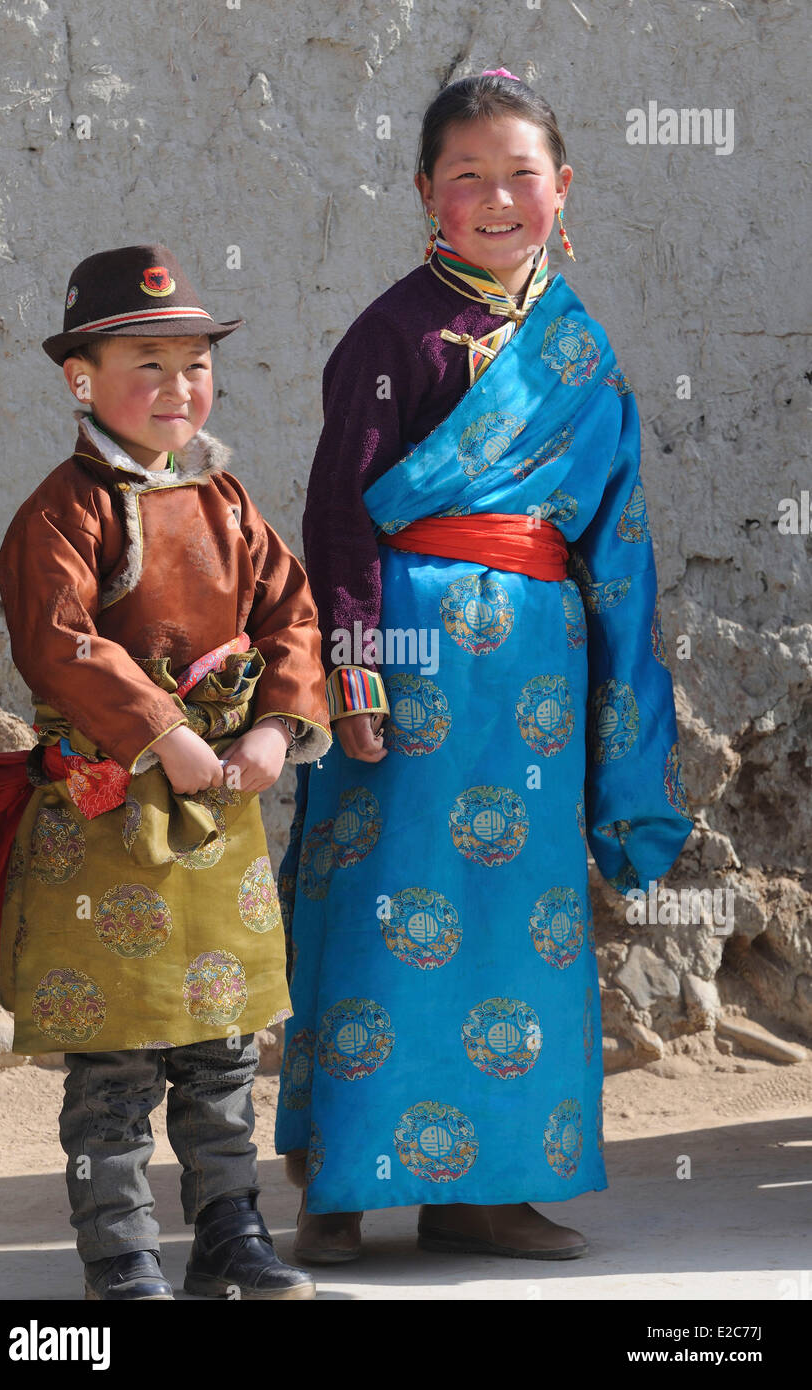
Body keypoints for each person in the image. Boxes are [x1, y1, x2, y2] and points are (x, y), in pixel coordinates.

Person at [275, 71, 694, 1263]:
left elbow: (618, 541)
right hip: (410, 670)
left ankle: (487, 1187)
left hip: (535, 690)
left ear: (563, 190)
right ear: (425, 192)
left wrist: (625, 712)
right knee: (379, 913)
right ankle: (340, 1187)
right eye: (467, 175)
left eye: (522, 174)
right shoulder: (394, 333)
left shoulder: (581, 350)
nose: (497, 197)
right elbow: (339, 517)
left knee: (524, 924)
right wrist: (354, 668)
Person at [0, 244, 331, 1300]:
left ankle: (232, 1234)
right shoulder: (62, 512)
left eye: (194, 364)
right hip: (108, 819)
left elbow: (290, 613)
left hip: (218, 818)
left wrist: (276, 727)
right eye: (147, 364)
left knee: (220, 1048)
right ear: (82, 380)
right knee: (115, 1066)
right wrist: (164, 730)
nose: (178, 387)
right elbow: (59, 641)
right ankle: (120, 1257)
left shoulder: (225, 500)